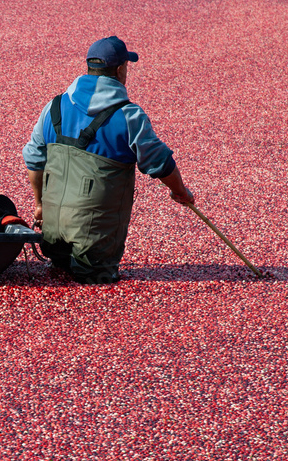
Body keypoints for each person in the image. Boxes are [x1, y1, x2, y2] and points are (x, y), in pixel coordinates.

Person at [23, 36, 195, 283]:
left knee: (59, 278)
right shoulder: (128, 115)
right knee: (96, 284)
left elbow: (33, 158)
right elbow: (160, 163)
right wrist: (181, 192)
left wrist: (39, 204)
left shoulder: (55, 107)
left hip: (51, 237)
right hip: (94, 247)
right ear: (119, 69)